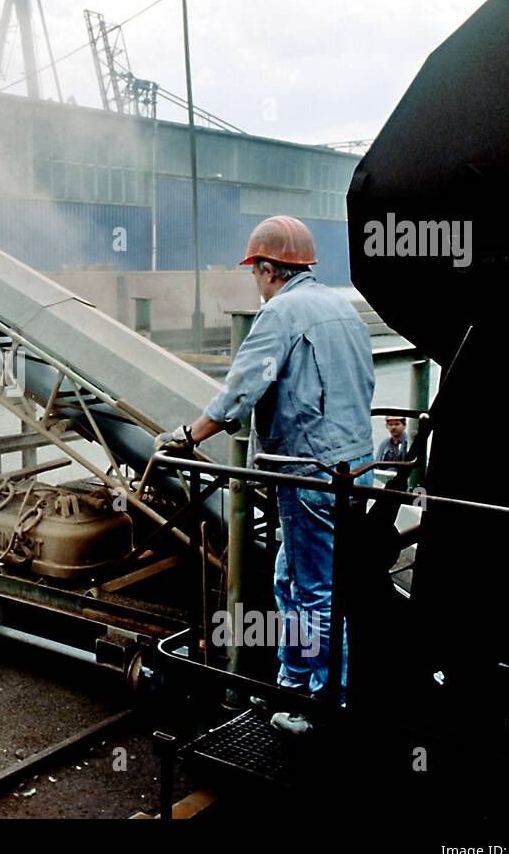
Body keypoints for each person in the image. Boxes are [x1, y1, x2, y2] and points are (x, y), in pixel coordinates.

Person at [155, 215, 375, 734]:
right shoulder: (342, 311)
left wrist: (190, 437)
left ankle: (322, 708)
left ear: (271, 268)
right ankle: (294, 680)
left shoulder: (281, 313)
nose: (255, 280)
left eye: (256, 270)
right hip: (356, 470)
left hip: (308, 475)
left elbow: (239, 391)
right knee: (292, 578)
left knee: (314, 590)